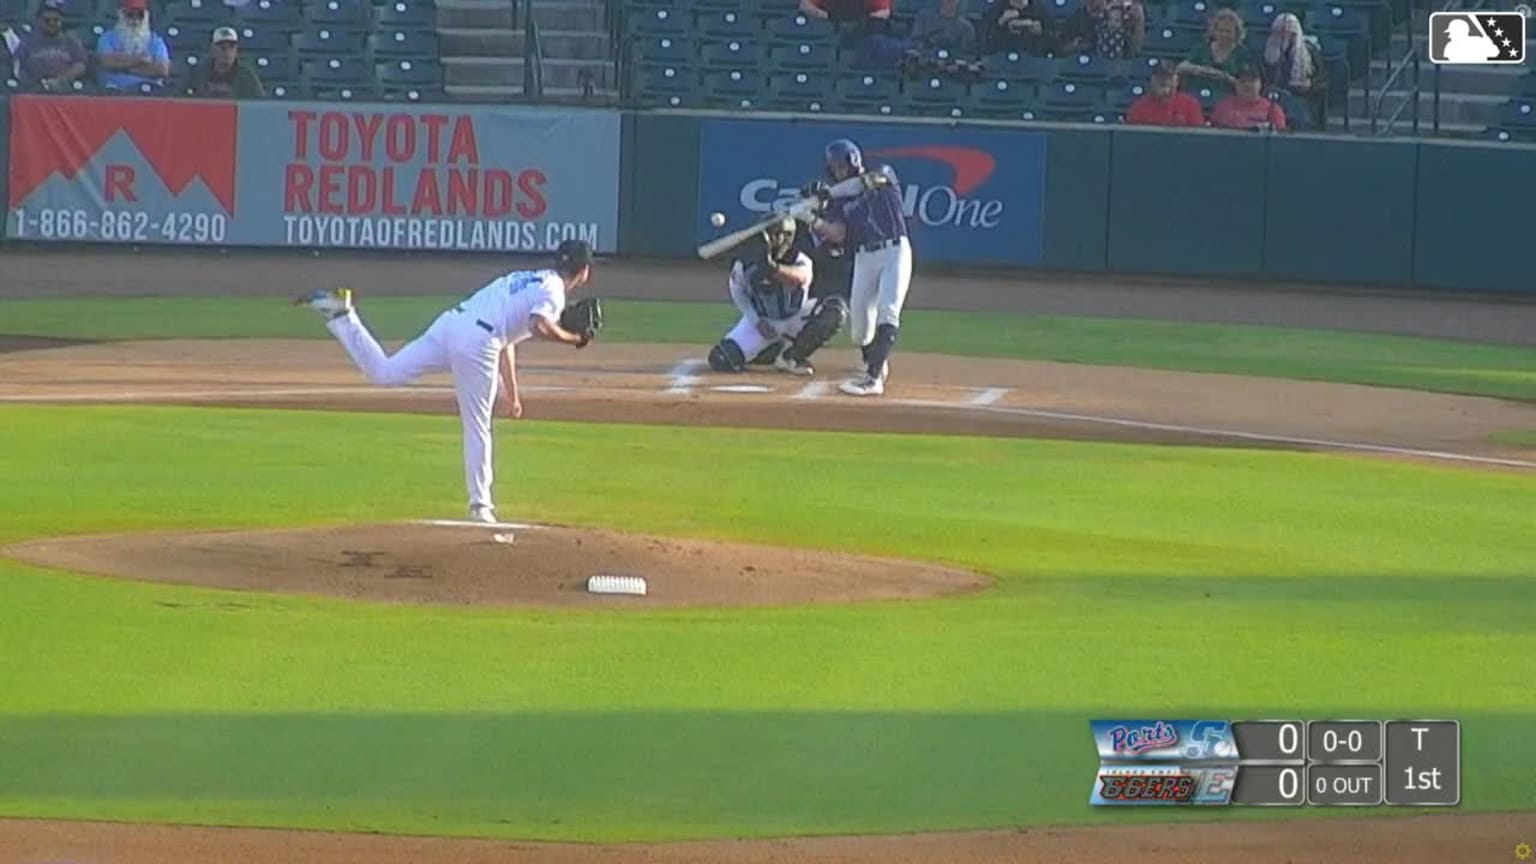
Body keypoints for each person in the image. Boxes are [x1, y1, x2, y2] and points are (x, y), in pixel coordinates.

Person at [292, 240, 602, 525]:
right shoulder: (554, 292)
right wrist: (574, 339)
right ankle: (481, 506)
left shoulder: (527, 278)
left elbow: (508, 339)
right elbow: (538, 325)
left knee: (385, 373)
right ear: (584, 271)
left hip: (453, 324)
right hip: (478, 341)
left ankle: (342, 316)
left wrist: (512, 392)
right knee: (478, 425)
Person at [805, 138, 912, 398]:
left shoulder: (882, 173)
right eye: (834, 168)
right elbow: (838, 234)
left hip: (894, 250)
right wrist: (811, 218)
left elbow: (865, 183)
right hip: (865, 258)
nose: (838, 171)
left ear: (853, 162)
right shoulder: (839, 202)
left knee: (888, 311)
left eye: (842, 166)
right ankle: (875, 360)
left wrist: (828, 193)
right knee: (860, 332)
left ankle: (873, 379)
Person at [707, 216, 848, 377]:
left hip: (796, 316)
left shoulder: (800, 260)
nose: (773, 240)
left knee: (835, 310)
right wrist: (756, 320)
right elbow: (737, 291)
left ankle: (792, 357)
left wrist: (771, 268)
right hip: (764, 320)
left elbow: (798, 278)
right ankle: (772, 350)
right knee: (721, 359)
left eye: (777, 235)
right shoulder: (745, 264)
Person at [95, 0, 170, 92]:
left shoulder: (155, 40)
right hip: (116, 90)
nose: (135, 20)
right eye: (130, 15)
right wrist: (140, 60)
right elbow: (107, 62)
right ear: (121, 16)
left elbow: (162, 70)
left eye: (140, 15)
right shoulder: (107, 38)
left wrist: (124, 68)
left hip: (150, 90)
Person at [13, 0, 87, 93]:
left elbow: (80, 65)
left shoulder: (71, 42)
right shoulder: (27, 42)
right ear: (39, 21)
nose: (52, 23)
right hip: (34, 89)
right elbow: (18, 65)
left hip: (66, 89)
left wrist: (60, 80)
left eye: (56, 20)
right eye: (47, 20)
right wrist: (34, 83)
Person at [1178, 8, 1250, 95]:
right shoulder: (1202, 48)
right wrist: (1202, 70)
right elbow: (1182, 67)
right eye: (1221, 30)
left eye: (1228, 31)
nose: (1224, 34)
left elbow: (1246, 82)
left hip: (1228, 96)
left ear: (1236, 33)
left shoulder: (1242, 53)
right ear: (1214, 30)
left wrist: (1226, 77)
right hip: (1198, 92)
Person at [187, 26, 264, 98]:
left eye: (231, 47)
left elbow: (260, 103)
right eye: (223, 48)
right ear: (213, 49)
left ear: (236, 50)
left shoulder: (247, 76)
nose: (227, 53)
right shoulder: (197, 73)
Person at [1125, 61, 1204, 126]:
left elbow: (1197, 137)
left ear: (1177, 81)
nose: (1164, 80)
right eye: (1159, 76)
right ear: (1151, 80)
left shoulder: (1190, 105)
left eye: (1169, 76)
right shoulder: (1139, 107)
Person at [1210, 65, 1286, 130]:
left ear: (1261, 83)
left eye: (1251, 81)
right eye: (1242, 81)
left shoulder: (1273, 110)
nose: (1246, 84)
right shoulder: (1222, 107)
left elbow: (1280, 138)